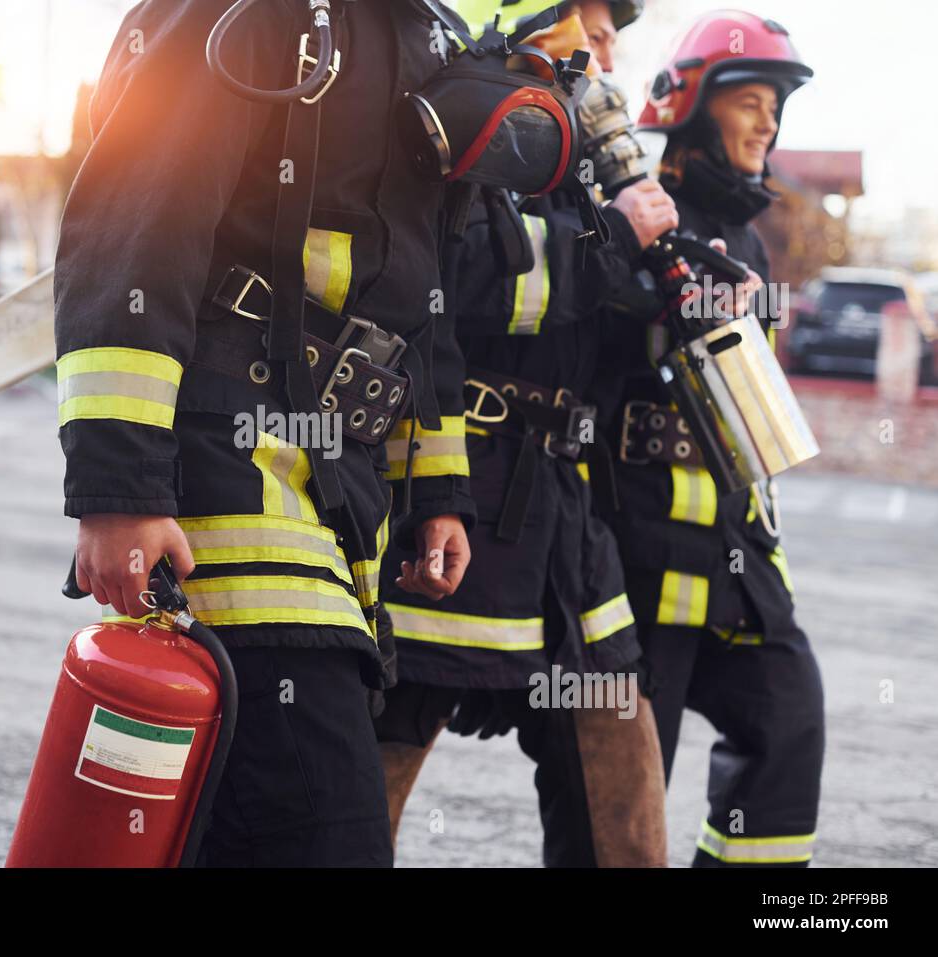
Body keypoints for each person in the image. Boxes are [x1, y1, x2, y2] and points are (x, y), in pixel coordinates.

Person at [54, 0, 476, 866]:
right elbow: (133, 232)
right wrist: (120, 492)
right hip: (227, 476)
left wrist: (435, 488)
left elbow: (423, 305)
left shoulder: (426, 35)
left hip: (343, 503)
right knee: (329, 834)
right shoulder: (241, 13)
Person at [374, 0, 676, 867]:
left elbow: (594, 330)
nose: (611, 43)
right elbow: (463, 279)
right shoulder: (471, 114)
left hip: (561, 516)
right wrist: (616, 243)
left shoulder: (580, 160)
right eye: (597, 18)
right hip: (454, 488)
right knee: (368, 778)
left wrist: (674, 292)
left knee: (622, 772)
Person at [592, 9, 825, 867]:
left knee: (789, 721)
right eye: (753, 99)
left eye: (777, 104)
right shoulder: (641, 215)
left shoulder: (752, 242)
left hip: (736, 555)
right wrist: (653, 287)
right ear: (690, 103)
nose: (770, 120)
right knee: (622, 800)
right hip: (640, 556)